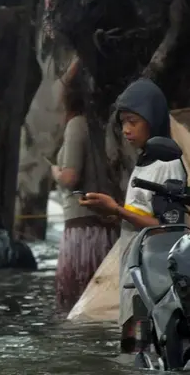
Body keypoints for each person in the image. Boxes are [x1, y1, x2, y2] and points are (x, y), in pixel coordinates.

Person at [79, 77, 186, 352]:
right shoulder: (144, 162)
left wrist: (117, 209)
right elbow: (139, 216)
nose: (126, 130)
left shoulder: (167, 163)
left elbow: (167, 229)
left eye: (133, 122)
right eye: (123, 122)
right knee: (132, 352)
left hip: (153, 280)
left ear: (152, 119)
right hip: (134, 273)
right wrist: (112, 214)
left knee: (144, 352)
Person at [51, 76, 118, 309]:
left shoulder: (76, 125)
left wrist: (55, 172)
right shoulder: (105, 125)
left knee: (75, 299)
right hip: (106, 225)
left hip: (82, 229)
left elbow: (70, 177)